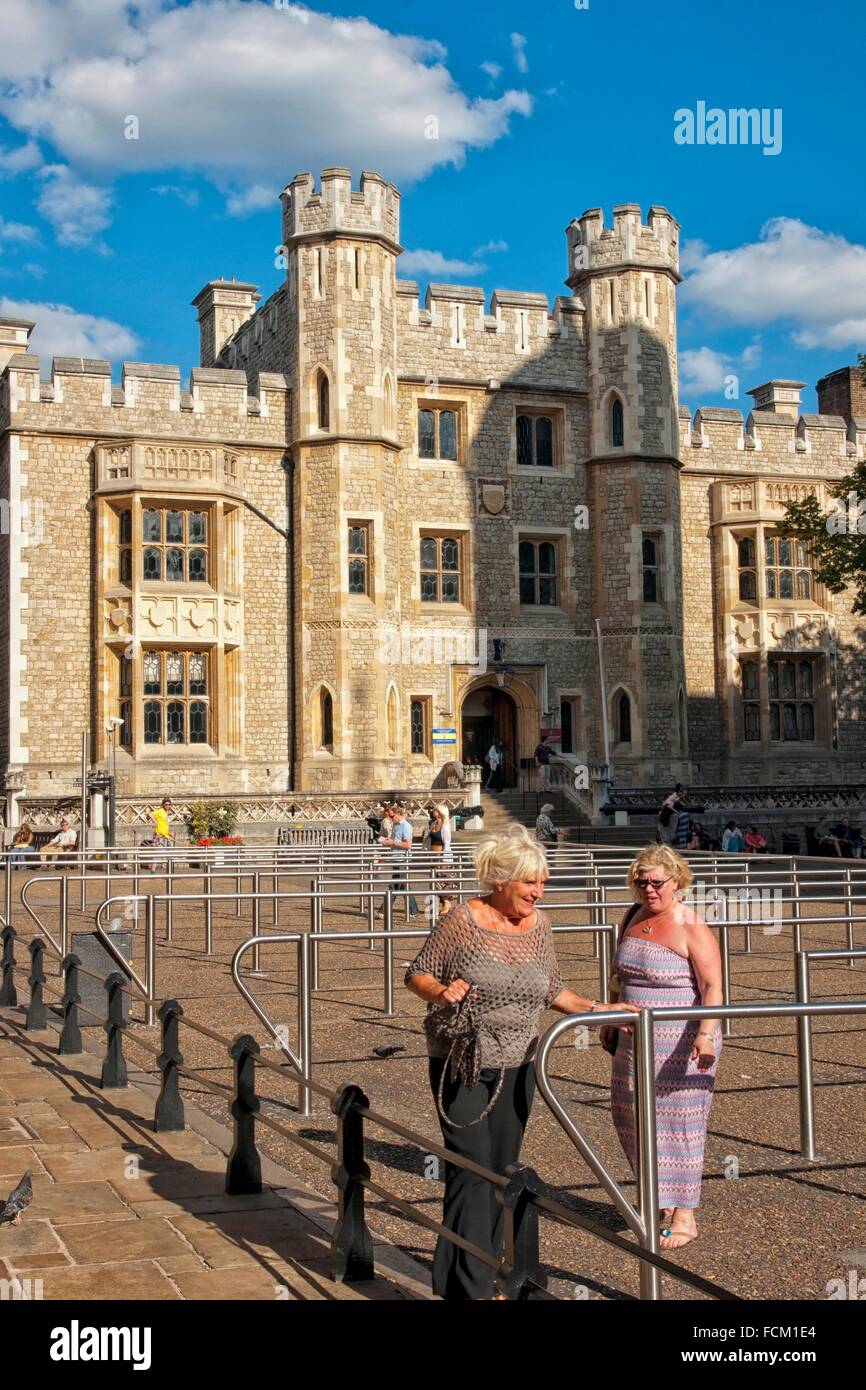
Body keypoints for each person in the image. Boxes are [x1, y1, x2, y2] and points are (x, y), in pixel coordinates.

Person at [405, 826, 635, 1300]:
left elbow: (553, 991)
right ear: (500, 880)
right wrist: (441, 992)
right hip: (462, 1060)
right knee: (472, 1169)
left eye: (543, 883)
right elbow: (417, 973)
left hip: (518, 1063)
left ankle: (466, 1278)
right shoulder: (462, 921)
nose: (538, 892)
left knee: (501, 1171)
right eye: (530, 883)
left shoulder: (540, 927)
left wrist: (601, 1010)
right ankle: (472, 1289)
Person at [606, 844, 722, 1250]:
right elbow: (619, 973)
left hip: (681, 1039)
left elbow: (712, 987)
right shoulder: (632, 915)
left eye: (657, 882)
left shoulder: (690, 923)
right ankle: (656, 1200)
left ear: (677, 881)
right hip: (633, 1036)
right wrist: (608, 1015)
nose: (649, 889)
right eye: (642, 882)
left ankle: (685, 1212)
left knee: (680, 1123)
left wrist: (706, 1034)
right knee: (631, 1115)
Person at [379, 803, 420, 917]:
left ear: (398, 814)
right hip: (397, 858)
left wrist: (392, 843)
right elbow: (395, 840)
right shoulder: (396, 825)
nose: (390, 819)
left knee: (394, 885)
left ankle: (383, 910)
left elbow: (408, 844)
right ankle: (414, 910)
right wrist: (388, 841)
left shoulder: (406, 826)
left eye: (392, 816)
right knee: (403, 885)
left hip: (403, 859)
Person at [424, 804, 456, 917]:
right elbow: (429, 838)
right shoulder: (433, 823)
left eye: (435, 809)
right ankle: (443, 904)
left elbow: (447, 843)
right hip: (433, 855)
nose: (433, 811)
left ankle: (447, 903)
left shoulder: (445, 826)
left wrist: (444, 858)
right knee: (435, 881)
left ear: (441, 812)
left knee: (442, 881)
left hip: (442, 855)